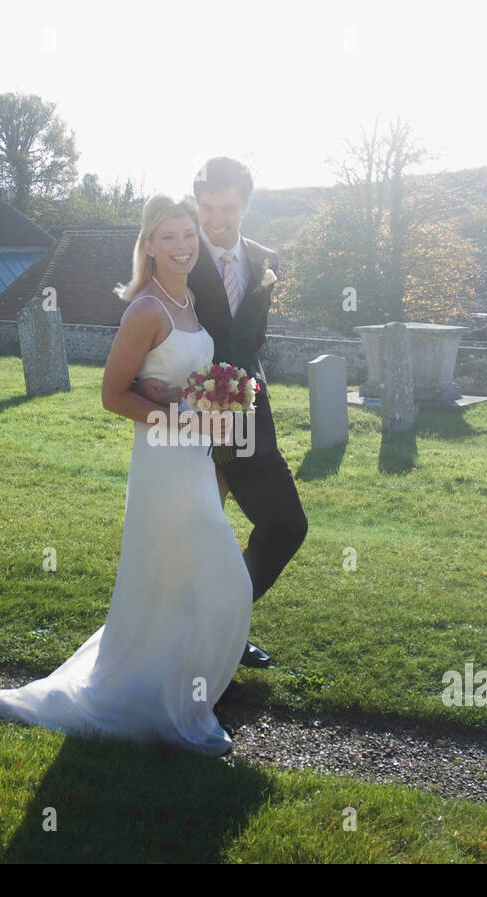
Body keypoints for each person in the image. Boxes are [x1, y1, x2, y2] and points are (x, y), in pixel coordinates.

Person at [0, 195, 251, 757]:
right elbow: (111, 395)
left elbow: (178, 376)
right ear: (147, 245)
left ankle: (174, 691)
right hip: (163, 464)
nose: (183, 245)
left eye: (188, 235)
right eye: (168, 236)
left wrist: (209, 401)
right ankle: (155, 702)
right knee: (224, 584)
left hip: (190, 458)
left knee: (183, 582)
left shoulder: (189, 300)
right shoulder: (146, 309)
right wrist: (178, 417)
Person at [132, 156, 308, 669]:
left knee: (286, 525)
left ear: (246, 206)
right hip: (188, 422)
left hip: (249, 417)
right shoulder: (181, 254)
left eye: (228, 207)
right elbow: (147, 310)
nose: (215, 219)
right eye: (207, 207)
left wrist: (250, 393)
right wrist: (149, 380)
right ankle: (192, 644)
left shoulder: (264, 260)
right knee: (195, 533)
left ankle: (221, 620)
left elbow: (252, 340)